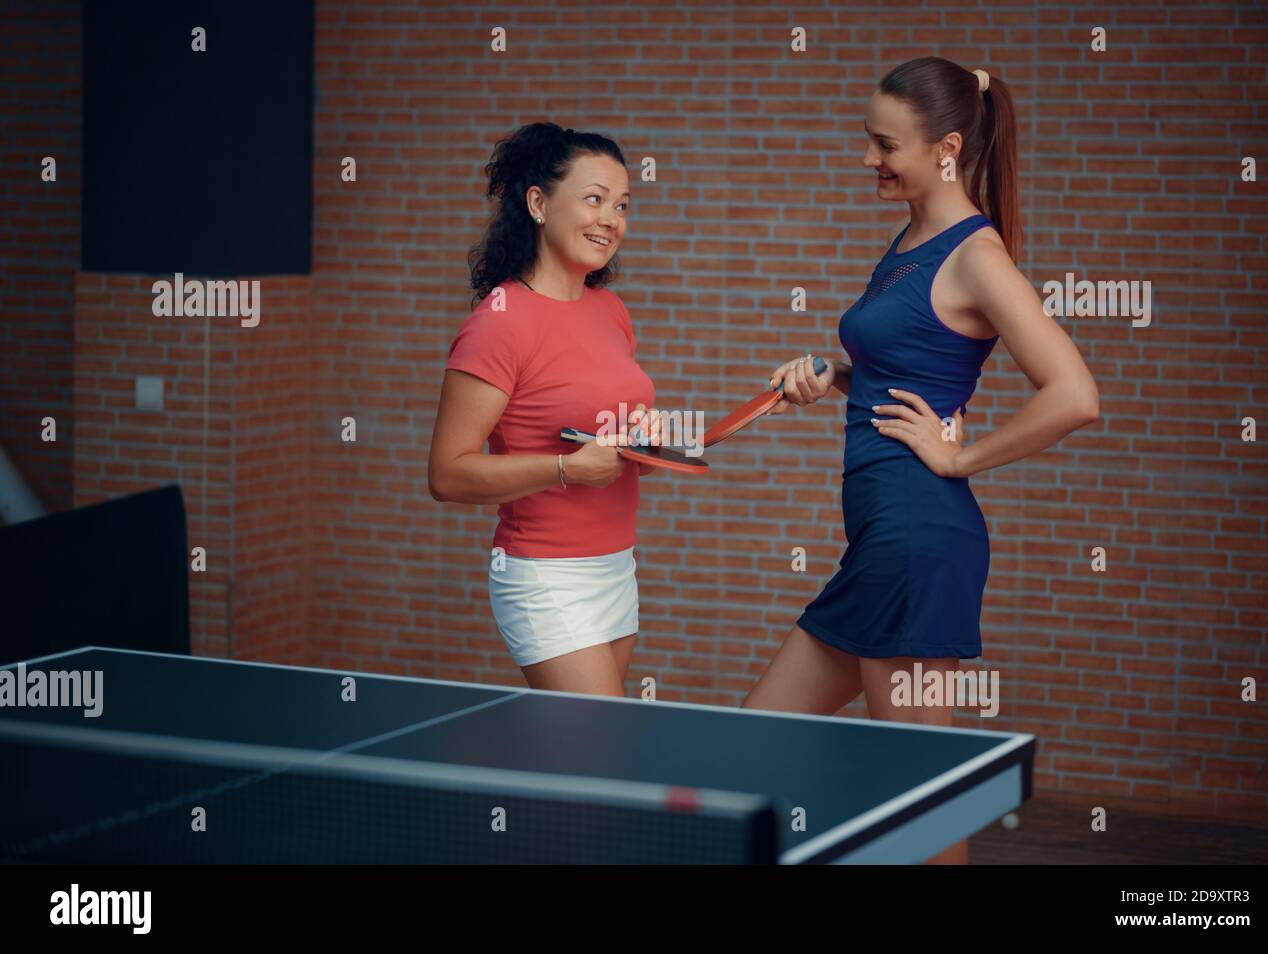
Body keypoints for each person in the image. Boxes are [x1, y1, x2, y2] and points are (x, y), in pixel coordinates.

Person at [742, 58, 1100, 864]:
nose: (869, 160)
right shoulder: (911, 240)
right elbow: (908, 370)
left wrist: (961, 455)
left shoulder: (977, 255)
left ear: (944, 148)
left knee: (916, 811)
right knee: (755, 739)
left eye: (883, 145)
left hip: (916, 541)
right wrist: (834, 379)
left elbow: (1075, 394)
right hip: (881, 546)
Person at [428, 123, 661, 697]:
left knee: (585, 764)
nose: (611, 218)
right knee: (596, 747)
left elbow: (597, 434)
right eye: (594, 199)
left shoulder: (610, 310)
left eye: (623, 205)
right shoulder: (501, 320)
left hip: (616, 565)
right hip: (546, 575)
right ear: (538, 202)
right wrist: (564, 469)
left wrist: (639, 446)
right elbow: (447, 473)